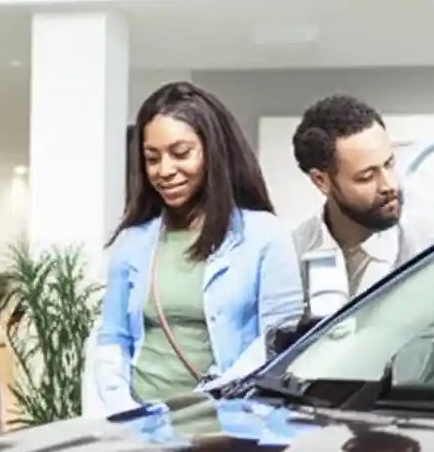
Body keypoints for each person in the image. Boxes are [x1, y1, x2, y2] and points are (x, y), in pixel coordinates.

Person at [89, 81, 304, 415]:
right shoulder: (132, 242)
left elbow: (278, 340)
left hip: (230, 420)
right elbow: (113, 338)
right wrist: (123, 409)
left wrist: (215, 397)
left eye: (180, 153)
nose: (164, 171)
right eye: (152, 158)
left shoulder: (264, 234)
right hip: (142, 423)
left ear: (213, 152)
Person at [290, 94, 434, 392]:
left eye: (389, 164)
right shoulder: (289, 258)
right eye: (366, 177)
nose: (389, 185)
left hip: (422, 420)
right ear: (321, 181)